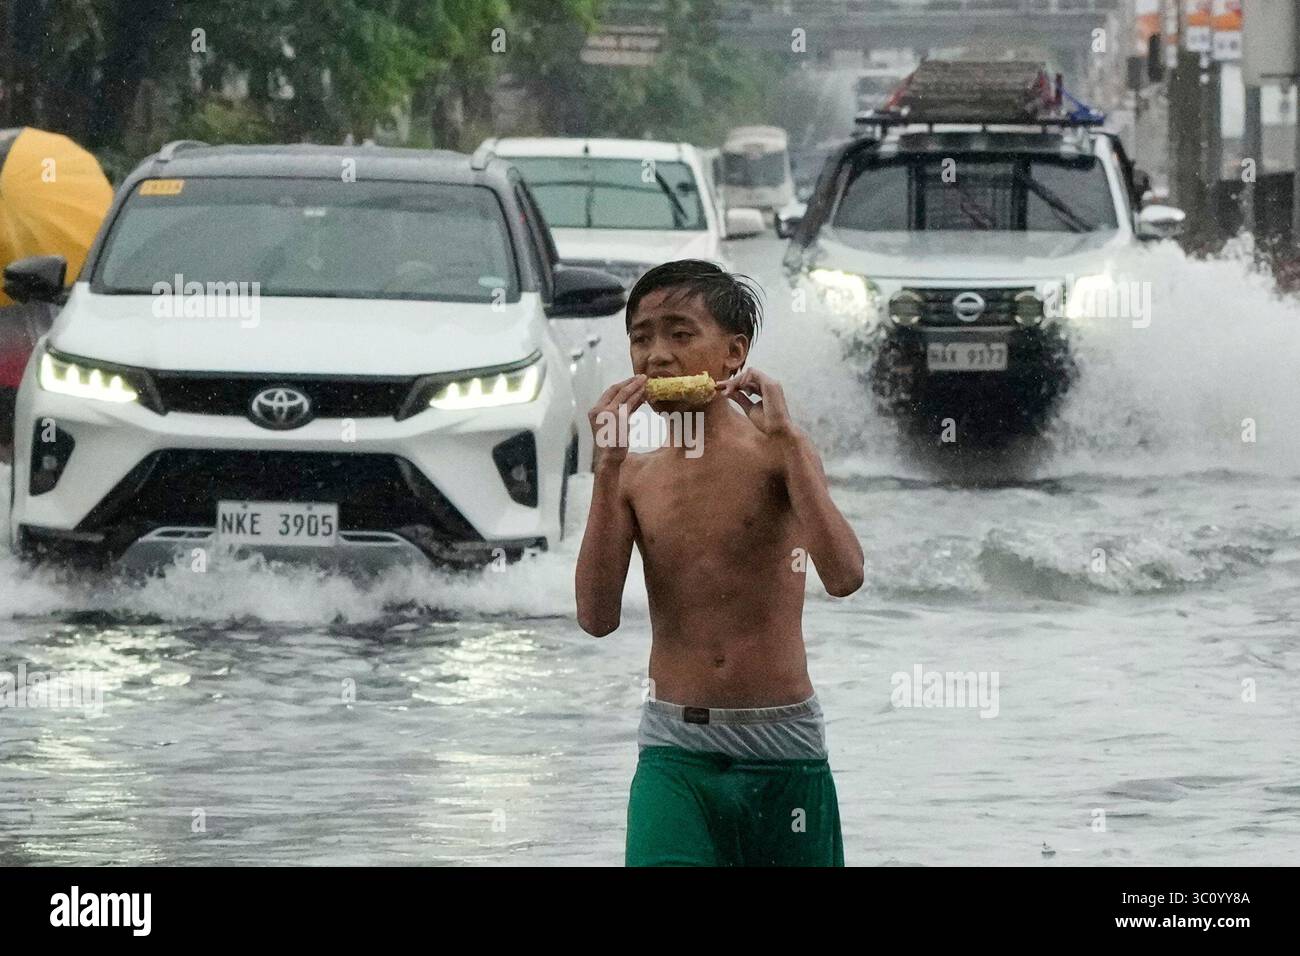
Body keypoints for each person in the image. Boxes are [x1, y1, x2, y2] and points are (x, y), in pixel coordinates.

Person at [575, 259, 865, 866]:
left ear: (734, 354)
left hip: (783, 743)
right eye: (641, 338)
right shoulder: (633, 475)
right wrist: (605, 466)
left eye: (681, 335)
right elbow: (596, 617)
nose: (657, 356)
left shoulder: (777, 453)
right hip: (674, 749)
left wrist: (788, 445)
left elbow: (844, 576)